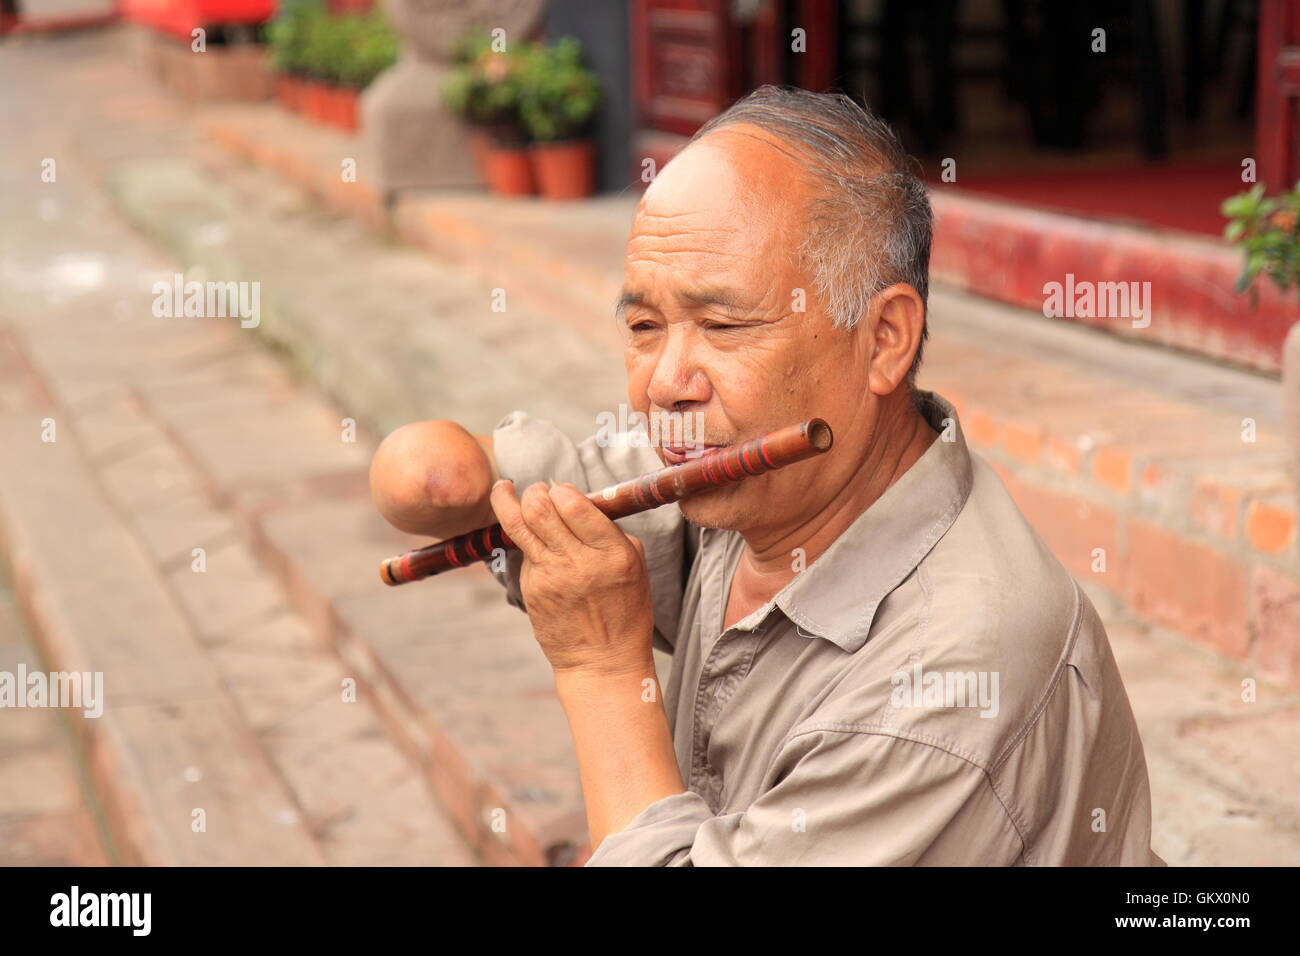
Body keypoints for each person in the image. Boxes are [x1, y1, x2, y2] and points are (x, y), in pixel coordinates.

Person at [369, 86, 1164, 866]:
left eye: (723, 325)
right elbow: (443, 481)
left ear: (884, 339)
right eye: (645, 327)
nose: (667, 382)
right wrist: (437, 479)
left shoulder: (946, 681)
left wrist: (602, 669)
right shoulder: (757, 483)